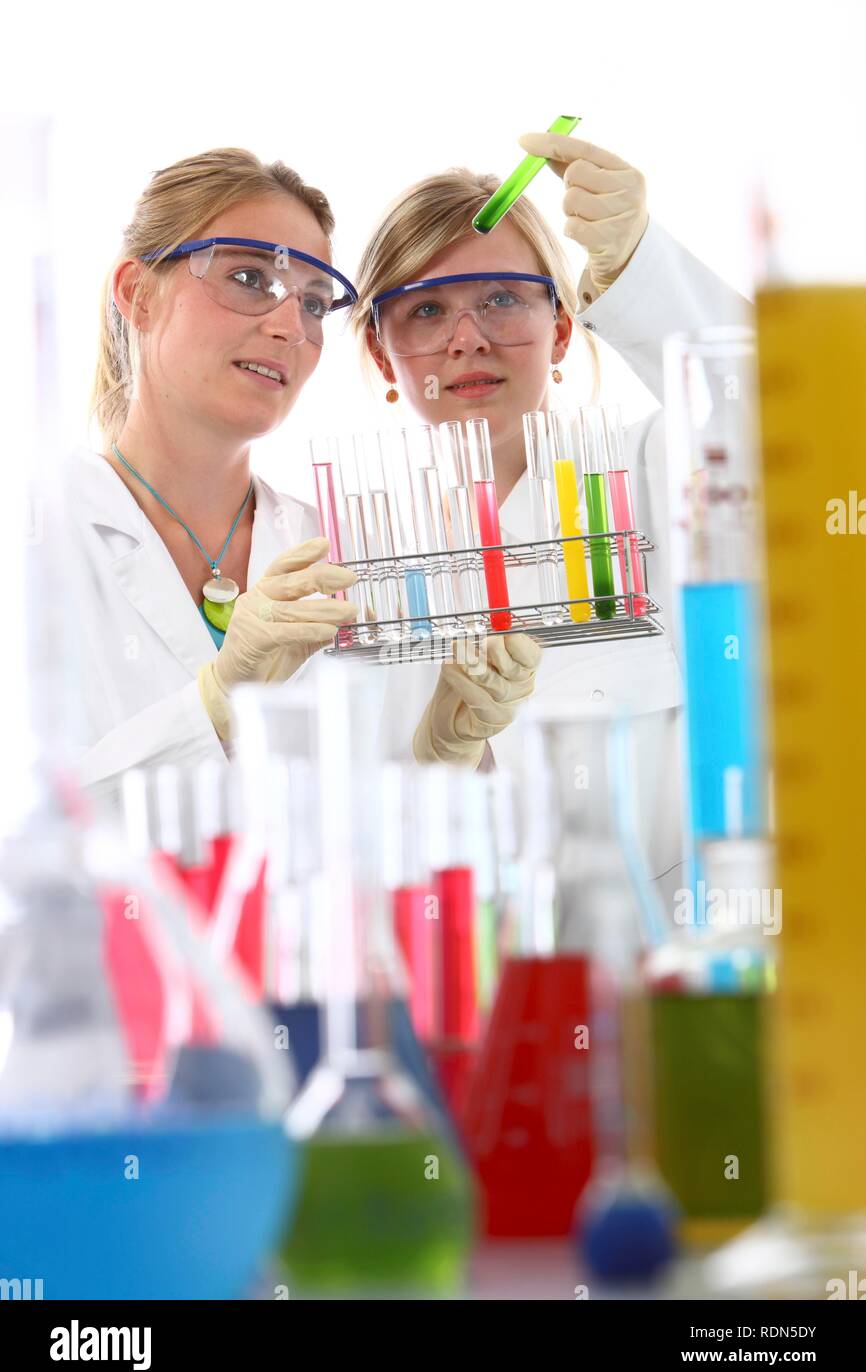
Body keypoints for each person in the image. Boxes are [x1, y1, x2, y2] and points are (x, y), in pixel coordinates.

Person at [350, 132, 752, 909]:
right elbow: (355, 865)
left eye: (501, 297)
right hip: (466, 1006)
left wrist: (641, 267)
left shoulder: (654, 473)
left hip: (664, 980)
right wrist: (438, 760)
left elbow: (793, 425)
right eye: (426, 309)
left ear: (562, 328)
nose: (467, 337)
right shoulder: (349, 572)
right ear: (380, 351)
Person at [68, 147, 531, 805]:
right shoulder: (32, 538)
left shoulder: (356, 563)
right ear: (137, 294)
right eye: (251, 278)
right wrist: (213, 706)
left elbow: (387, 873)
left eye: (315, 302)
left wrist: (444, 764)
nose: (290, 325)